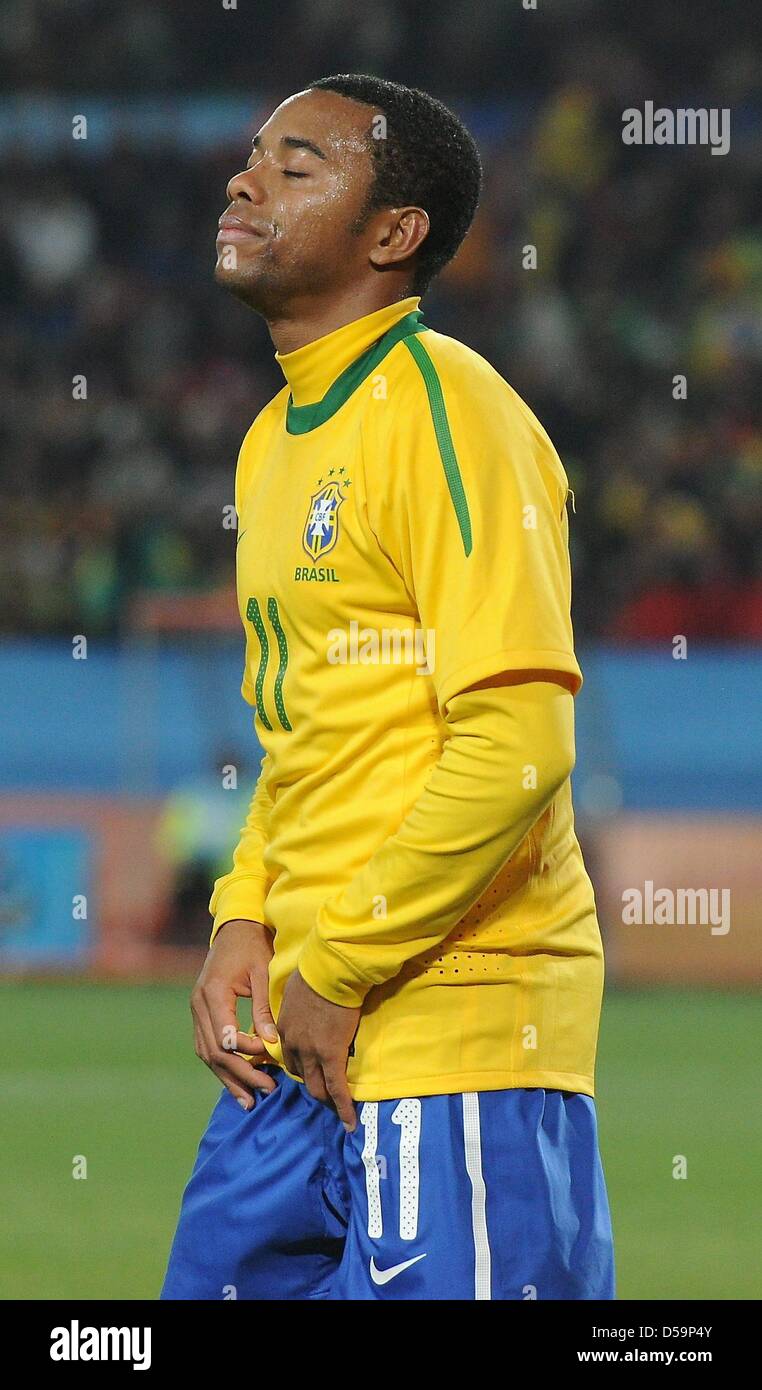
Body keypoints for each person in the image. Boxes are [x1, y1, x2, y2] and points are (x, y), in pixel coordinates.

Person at [161, 74, 614, 1301]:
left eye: (297, 167)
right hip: (297, 1043)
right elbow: (298, 731)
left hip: (455, 1033)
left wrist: (346, 961)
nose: (244, 182)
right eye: (251, 156)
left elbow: (522, 739)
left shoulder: (455, 412)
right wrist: (243, 910)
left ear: (392, 232)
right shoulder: (272, 442)